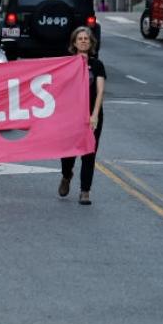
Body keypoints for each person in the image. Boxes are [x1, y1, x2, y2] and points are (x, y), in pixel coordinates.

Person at [59, 27, 106, 206]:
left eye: (87, 38)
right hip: (71, 116)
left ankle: (85, 191)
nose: (84, 41)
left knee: (89, 153)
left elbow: (100, 91)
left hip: (91, 116)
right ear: (74, 42)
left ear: (91, 42)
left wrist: (94, 115)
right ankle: (66, 175)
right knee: (69, 152)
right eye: (80, 38)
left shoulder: (97, 65)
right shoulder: (67, 63)